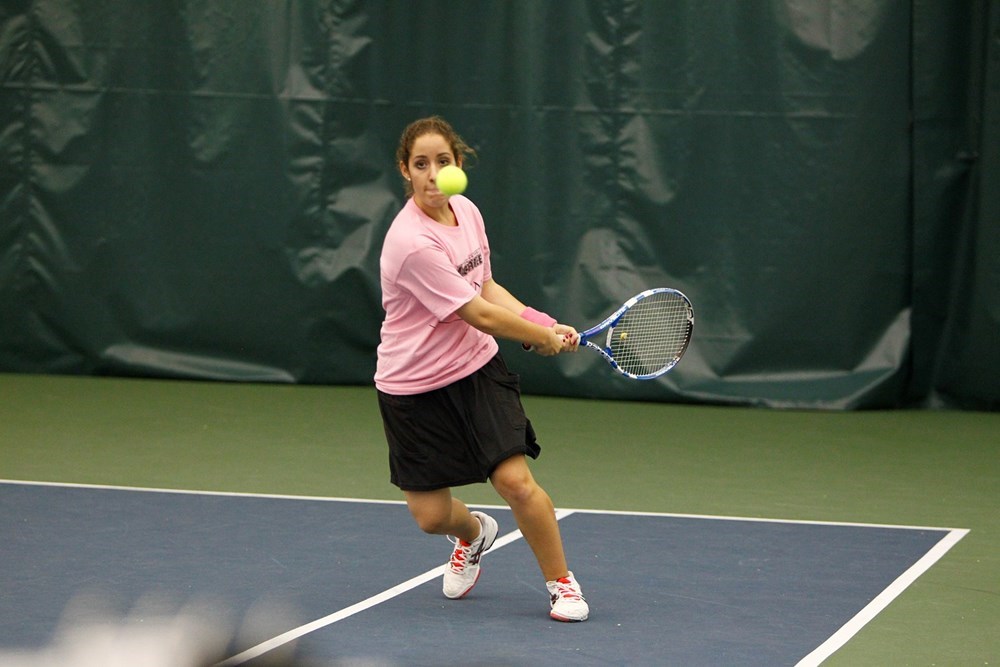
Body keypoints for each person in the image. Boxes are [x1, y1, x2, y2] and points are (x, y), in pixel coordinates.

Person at [374, 116, 589, 622]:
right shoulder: (410, 243)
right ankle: (473, 533)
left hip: (474, 368)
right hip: (411, 386)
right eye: (420, 164)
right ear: (405, 170)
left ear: (458, 165)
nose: (432, 174)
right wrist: (539, 339)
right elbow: (478, 313)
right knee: (429, 518)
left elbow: (486, 286)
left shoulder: (466, 211)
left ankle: (562, 584)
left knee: (515, 481)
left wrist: (541, 321)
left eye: (442, 162)